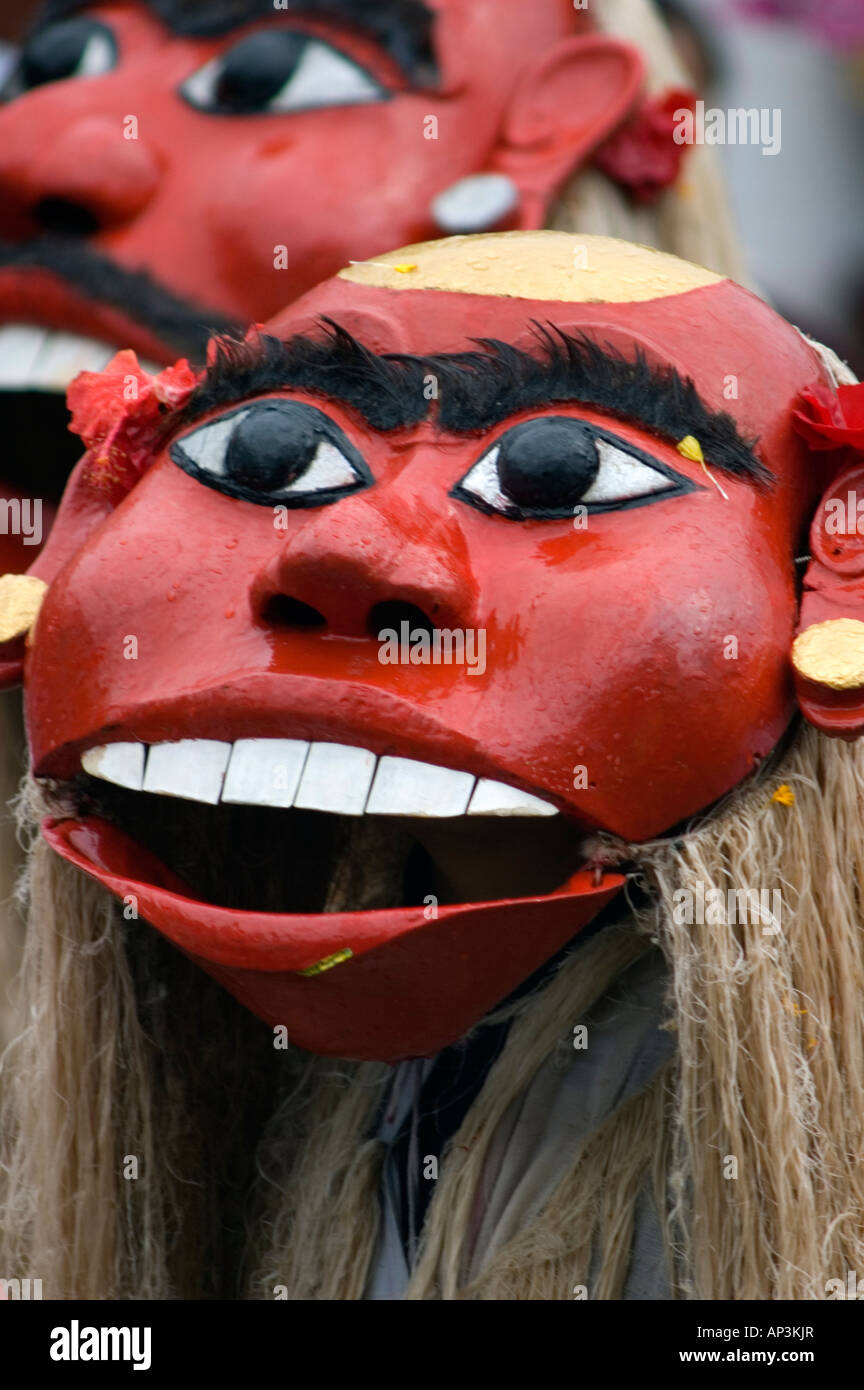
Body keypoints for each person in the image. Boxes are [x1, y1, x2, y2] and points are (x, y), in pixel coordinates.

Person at [1, 229, 861, 1300]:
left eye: (563, 473)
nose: (355, 554)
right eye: (271, 457)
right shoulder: (309, 1092)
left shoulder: (786, 1100)